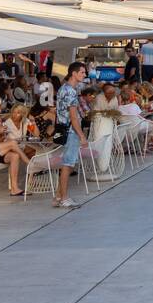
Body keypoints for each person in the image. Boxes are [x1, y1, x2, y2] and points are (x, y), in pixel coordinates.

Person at [53, 62, 86, 209]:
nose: (84, 75)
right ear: (74, 73)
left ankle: (59, 195)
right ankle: (64, 197)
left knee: (68, 163)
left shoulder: (63, 89)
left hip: (63, 128)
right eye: (82, 72)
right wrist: (82, 135)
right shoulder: (71, 91)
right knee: (68, 164)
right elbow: (73, 117)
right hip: (71, 131)